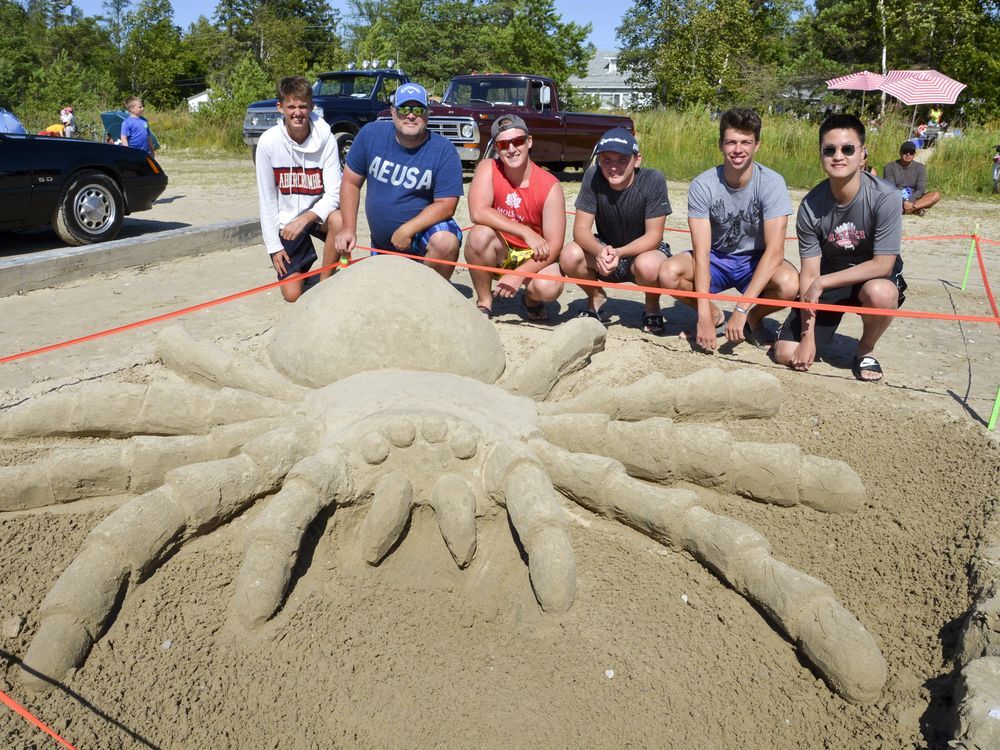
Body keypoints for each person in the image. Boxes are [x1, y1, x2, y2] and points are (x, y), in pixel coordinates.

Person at [772, 114, 906, 383]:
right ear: (820, 154)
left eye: (847, 149)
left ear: (862, 153)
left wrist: (822, 282)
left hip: (871, 277)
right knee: (786, 354)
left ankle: (865, 349)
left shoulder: (886, 196)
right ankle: (812, 333)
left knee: (881, 293)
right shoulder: (810, 206)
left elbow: (883, 265)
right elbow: (809, 273)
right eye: (829, 150)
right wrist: (806, 338)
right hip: (830, 276)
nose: (838, 156)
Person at [657, 108, 798, 351]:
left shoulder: (772, 183)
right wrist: (703, 314)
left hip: (755, 259)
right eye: (731, 142)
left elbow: (775, 251)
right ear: (721, 145)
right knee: (668, 273)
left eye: (746, 142)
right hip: (716, 258)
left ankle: (753, 318)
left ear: (757, 145)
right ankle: (715, 317)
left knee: (790, 284)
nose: (738, 149)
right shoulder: (703, 184)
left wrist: (742, 309)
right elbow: (701, 251)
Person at [334, 82, 463, 280]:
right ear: (393, 112)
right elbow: (350, 182)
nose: (411, 115)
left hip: (421, 238)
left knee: (445, 242)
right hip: (383, 245)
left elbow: (446, 205)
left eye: (418, 109)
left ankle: (429, 292)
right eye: (404, 109)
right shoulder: (370, 135)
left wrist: (407, 229)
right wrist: (348, 228)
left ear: (427, 113)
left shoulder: (444, 151)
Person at [559, 127, 672, 330]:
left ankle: (652, 306)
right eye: (606, 159)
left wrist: (619, 253)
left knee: (649, 265)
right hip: (606, 249)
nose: (613, 167)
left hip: (644, 252)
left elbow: (654, 236)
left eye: (622, 160)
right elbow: (581, 229)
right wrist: (601, 251)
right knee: (568, 255)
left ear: (637, 160)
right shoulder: (593, 176)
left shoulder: (653, 179)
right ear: (598, 160)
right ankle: (595, 297)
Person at [464, 114, 565, 319]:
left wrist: (518, 275)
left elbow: (554, 245)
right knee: (478, 235)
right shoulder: (487, 167)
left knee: (549, 287)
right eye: (503, 145)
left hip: (534, 253)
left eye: (517, 141)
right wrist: (524, 231)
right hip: (500, 248)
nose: (511, 149)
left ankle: (531, 300)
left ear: (529, 142)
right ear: (496, 148)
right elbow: (477, 212)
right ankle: (484, 301)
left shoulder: (550, 185)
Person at [255, 76, 343, 303]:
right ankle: (304, 269)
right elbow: (267, 200)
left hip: (316, 215)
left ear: (311, 106)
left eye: (303, 106)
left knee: (339, 220)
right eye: (291, 107)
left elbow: (335, 193)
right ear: (280, 107)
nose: (297, 113)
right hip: (286, 224)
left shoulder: (326, 138)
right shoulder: (268, 143)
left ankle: (326, 282)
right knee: (292, 295)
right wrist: (274, 247)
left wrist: (305, 218)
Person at [883, 141, 941, 215]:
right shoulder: (890, 167)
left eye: (911, 152)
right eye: (905, 151)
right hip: (896, 198)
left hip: (915, 199)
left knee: (936, 195)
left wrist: (910, 201)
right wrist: (904, 201)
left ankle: (908, 209)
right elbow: (890, 189)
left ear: (914, 154)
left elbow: (921, 189)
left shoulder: (920, 167)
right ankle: (916, 209)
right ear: (900, 153)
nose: (908, 154)